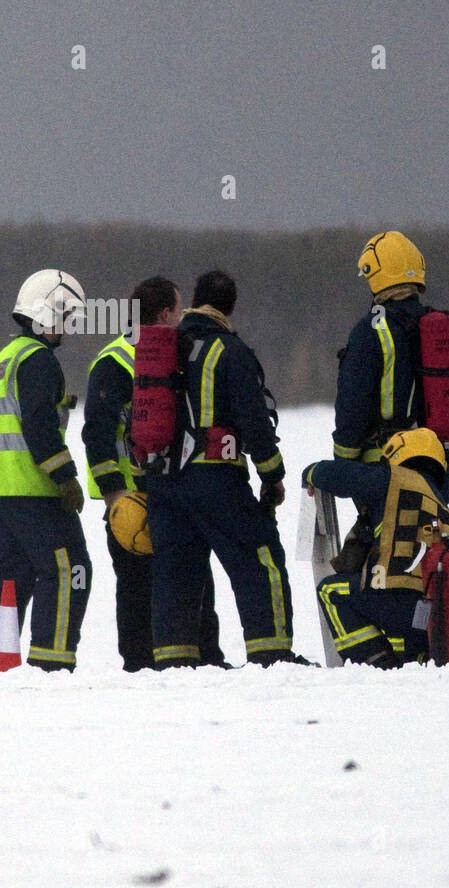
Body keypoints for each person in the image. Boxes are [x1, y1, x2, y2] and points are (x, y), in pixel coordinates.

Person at [145, 270, 306, 668]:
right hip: (214, 477)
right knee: (259, 558)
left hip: (164, 483)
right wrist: (272, 476)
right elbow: (254, 423)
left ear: (195, 300)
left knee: (175, 573)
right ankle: (272, 654)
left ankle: (173, 661)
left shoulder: (166, 347)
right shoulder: (229, 350)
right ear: (230, 306)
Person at [81, 275, 224, 672]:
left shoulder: (154, 355)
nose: (182, 318)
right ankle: (146, 665)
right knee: (145, 583)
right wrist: (115, 495)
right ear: (165, 313)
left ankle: (195, 659)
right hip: (134, 496)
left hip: (162, 491)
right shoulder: (118, 360)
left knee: (180, 578)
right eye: (178, 310)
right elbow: (97, 432)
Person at [328, 231, 449, 571]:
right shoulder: (442, 330)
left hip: (383, 476)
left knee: (377, 577)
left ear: (375, 274)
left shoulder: (370, 331)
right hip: (436, 473)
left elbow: (351, 409)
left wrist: (343, 466)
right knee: (430, 571)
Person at [0, 269, 92, 671]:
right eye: (66, 317)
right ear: (47, 312)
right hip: (31, 489)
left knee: (6, 575)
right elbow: (39, 425)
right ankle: (51, 663)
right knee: (69, 567)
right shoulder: (39, 361)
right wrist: (66, 477)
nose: (67, 329)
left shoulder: (1, 361)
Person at [304, 428, 449, 668]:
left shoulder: (392, 479)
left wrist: (311, 473)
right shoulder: (436, 501)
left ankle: (378, 663)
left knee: (331, 591)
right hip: (448, 614)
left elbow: (341, 475)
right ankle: (417, 655)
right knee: (393, 593)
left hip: (412, 607)